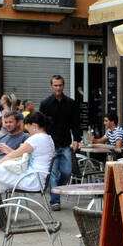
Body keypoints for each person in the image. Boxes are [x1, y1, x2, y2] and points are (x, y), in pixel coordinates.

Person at [39, 74, 81, 210]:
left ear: (63, 86)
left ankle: (57, 189)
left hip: (65, 143)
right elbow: (41, 125)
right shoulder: (45, 104)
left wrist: (77, 140)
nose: (58, 88)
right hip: (51, 145)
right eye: (55, 85)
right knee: (53, 174)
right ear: (51, 86)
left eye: (60, 85)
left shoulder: (71, 103)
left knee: (67, 172)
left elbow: (76, 123)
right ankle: (55, 201)